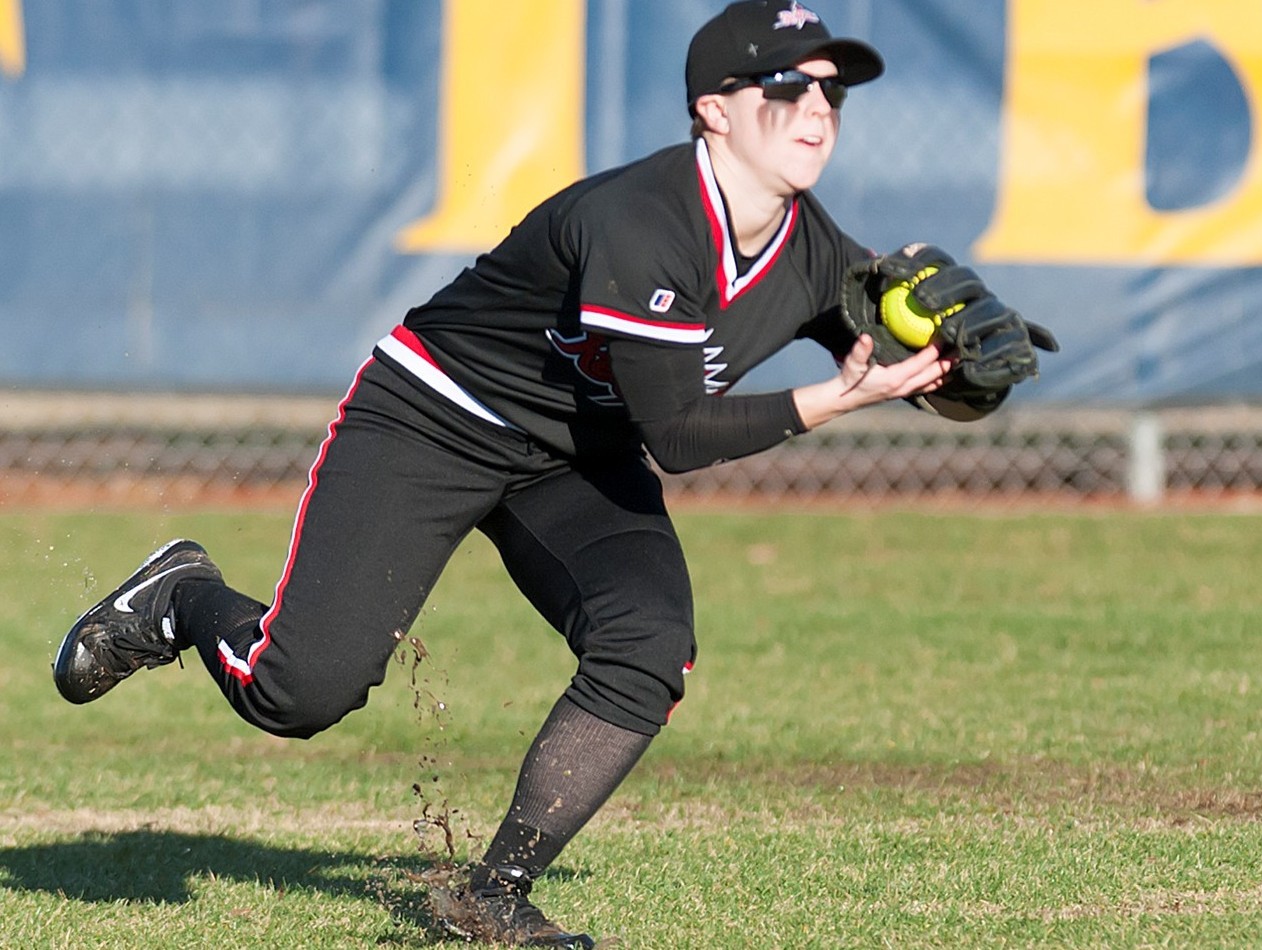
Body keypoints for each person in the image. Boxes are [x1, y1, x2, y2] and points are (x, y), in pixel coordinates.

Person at [53, 3, 1019, 946]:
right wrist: (835, 401)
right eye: (784, 85)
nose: (818, 109)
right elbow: (679, 435)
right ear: (713, 110)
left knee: (648, 645)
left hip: (576, 456)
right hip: (436, 419)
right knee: (298, 694)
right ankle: (181, 597)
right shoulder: (641, 224)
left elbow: (917, 369)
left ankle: (492, 895)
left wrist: (959, 377)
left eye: (832, 90)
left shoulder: (812, 250)